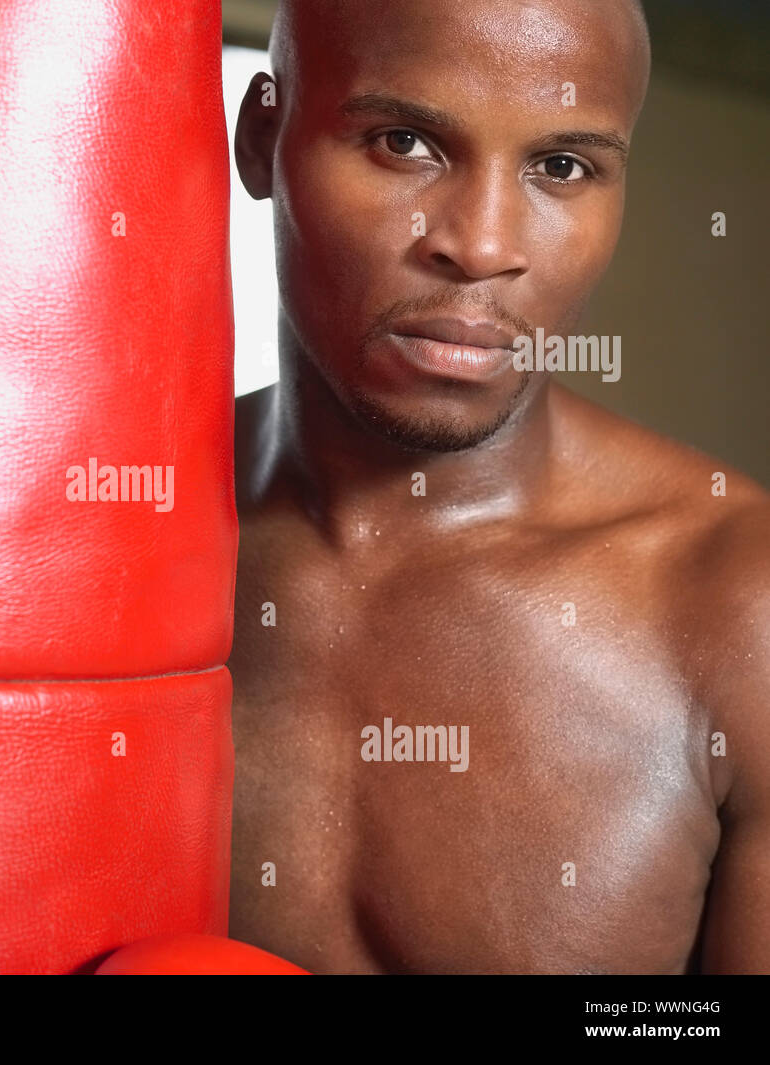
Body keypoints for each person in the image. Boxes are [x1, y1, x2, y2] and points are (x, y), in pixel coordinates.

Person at [227, 0, 770, 973]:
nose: (480, 247)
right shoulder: (88, 542)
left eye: (561, 167)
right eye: (404, 142)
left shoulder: (740, 601)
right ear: (262, 136)